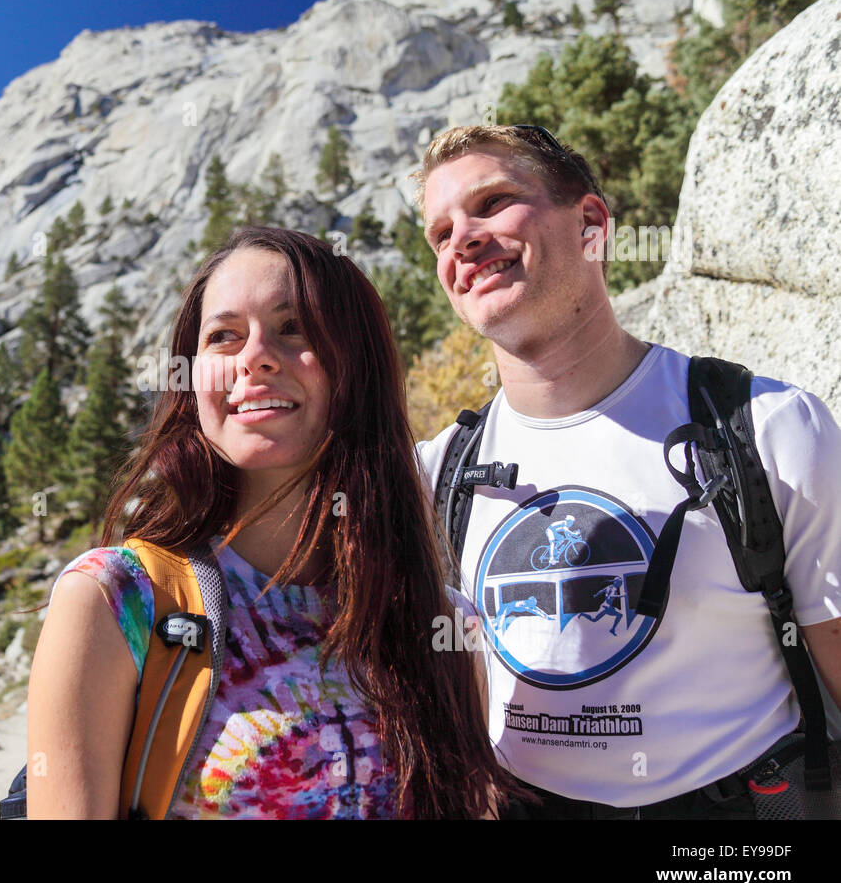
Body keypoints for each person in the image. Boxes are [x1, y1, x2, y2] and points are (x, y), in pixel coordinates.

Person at [410, 123, 841, 818]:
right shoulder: (433, 476)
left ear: (589, 224)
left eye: (492, 202)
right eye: (439, 232)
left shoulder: (766, 427)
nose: (462, 237)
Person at [26, 225, 518, 818]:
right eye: (224, 336)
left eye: (295, 328)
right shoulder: (115, 603)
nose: (255, 356)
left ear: (354, 372)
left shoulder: (441, 627)